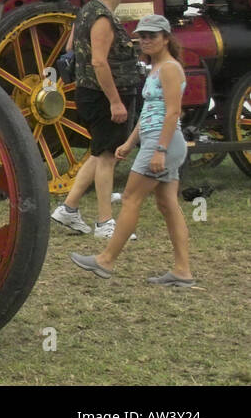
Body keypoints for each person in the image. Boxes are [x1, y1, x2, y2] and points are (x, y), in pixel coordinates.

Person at [71, 15, 194, 285]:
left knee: (130, 199)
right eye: (143, 35)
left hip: (163, 141)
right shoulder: (156, 68)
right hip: (155, 139)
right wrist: (129, 143)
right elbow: (150, 112)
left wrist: (159, 150)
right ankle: (182, 270)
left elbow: (173, 112)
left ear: (166, 38)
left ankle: (105, 260)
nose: (146, 40)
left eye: (152, 35)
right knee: (167, 204)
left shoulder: (170, 68)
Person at [51, 0, 142, 239]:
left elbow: (70, 49)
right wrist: (115, 101)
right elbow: (99, 61)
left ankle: (68, 209)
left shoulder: (85, 12)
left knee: (98, 151)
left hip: (89, 90)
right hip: (103, 94)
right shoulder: (102, 17)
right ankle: (105, 223)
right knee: (107, 157)